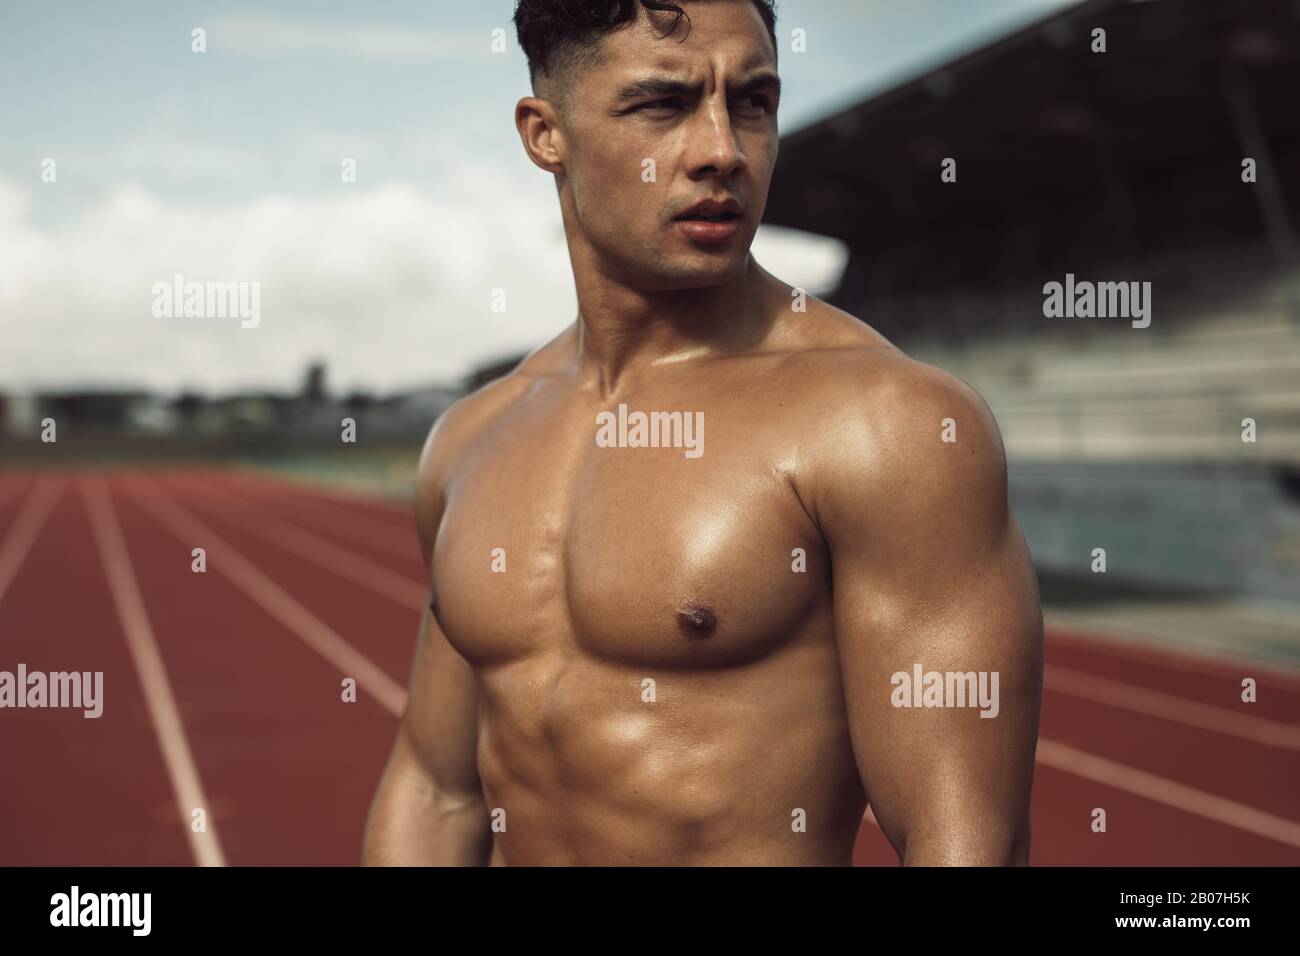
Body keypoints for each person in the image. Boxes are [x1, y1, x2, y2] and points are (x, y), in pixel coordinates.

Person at [361, 0, 1043, 866]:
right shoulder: (471, 438)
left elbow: (966, 843)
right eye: (663, 104)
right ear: (545, 134)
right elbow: (435, 786)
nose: (723, 148)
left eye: (753, 102)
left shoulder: (887, 423)